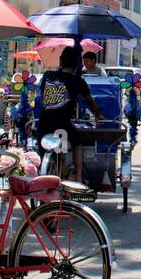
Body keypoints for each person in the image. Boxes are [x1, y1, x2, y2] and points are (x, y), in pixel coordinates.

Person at [35, 45, 103, 182]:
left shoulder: (47, 76)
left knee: (45, 149)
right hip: (62, 125)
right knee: (77, 143)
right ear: (78, 63)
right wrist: (98, 115)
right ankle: (78, 177)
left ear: (60, 61)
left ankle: (49, 172)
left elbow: (41, 98)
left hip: (44, 124)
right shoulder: (78, 81)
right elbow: (90, 102)